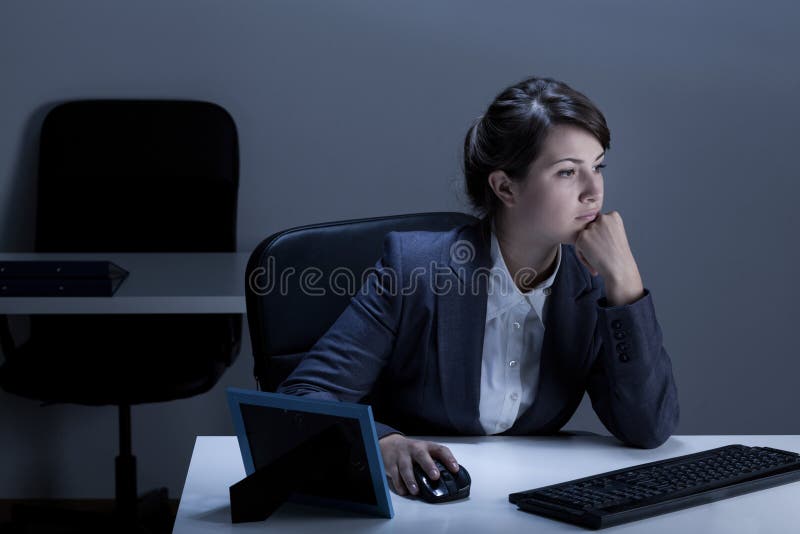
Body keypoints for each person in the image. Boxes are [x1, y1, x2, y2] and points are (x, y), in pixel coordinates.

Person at [278, 76, 679, 498]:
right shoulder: (413, 270)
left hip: (530, 502)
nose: (594, 191)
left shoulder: (592, 285)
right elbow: (304, 396)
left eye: (597, 167)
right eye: (567, 172)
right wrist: (382, 443)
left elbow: (648, 428)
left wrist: (626, 285)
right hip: (415, 506)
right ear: (505, 187)